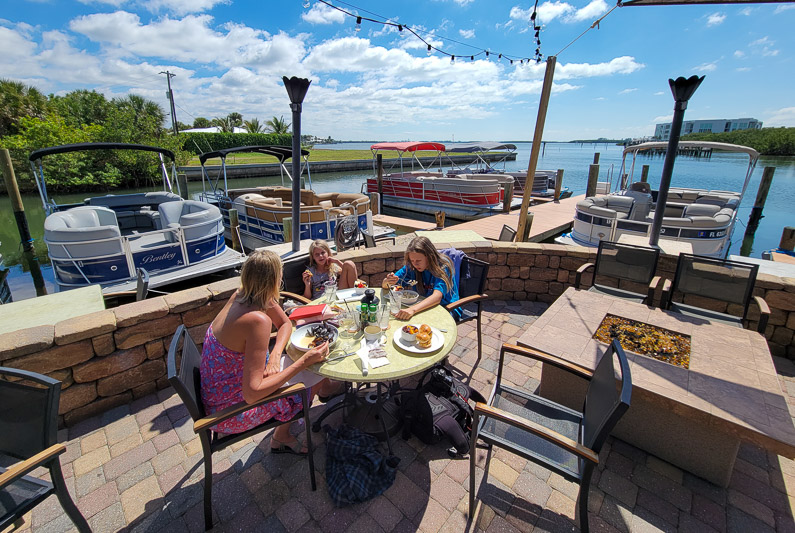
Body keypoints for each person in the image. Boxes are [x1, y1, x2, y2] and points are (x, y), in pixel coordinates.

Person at [200, 249, 336, 454]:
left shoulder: (243, 294)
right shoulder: (257, 320)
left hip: (219, 393)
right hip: (230, 412)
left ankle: (287, 429)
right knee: (313, 372)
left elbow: (285, 324)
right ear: (273, 280)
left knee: (306, 367)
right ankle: (281, 436)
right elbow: (253, 394)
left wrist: (274, 356)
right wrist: (304, 361)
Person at [382, 235, 459, 320]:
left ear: (430, 257)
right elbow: (386, 286)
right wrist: (387, 281)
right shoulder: (411, 267)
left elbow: (437, 297)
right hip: (423, 306)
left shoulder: (443, 267)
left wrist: (412, 310)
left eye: (418, 261)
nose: (415, 264)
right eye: (412, 260)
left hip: (447, 308)